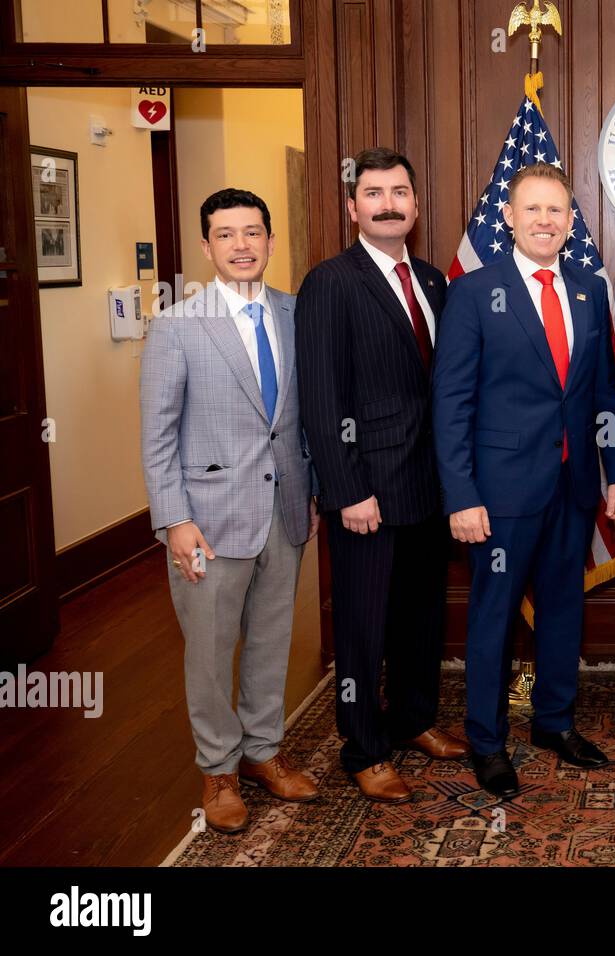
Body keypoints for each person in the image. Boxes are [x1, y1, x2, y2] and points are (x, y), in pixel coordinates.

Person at [434, 162, 615, 799]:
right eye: (533, 210)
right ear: (509, 219)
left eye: (557, 211)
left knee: (562, 612)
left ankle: (553, 722)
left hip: (574, 487)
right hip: (499, 496)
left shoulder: (587, 290)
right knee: (493, 619)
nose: (546, 221)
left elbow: (605, 390)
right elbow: (452, 402)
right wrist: (461, 495)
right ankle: (487, 743)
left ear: (571, 221)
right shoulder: (473, 292)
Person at [141, 188, 319, 833]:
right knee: (211, 649)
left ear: (271, 240)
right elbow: (157, 434)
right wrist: (174, 519)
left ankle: (261, 754)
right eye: (226, 234)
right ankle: (217, 769)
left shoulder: (300, 315)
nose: (242, 245)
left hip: (286, 508)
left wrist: (315, 489)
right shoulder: (176, 327)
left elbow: (307, 420)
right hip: (206, 521)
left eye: (252, 232)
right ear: (208, 245)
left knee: (272, 640)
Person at [296, 147, 467, 805]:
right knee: (363, 629)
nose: (389, 203)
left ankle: (414, 720)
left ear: (415, 205)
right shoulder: (330, 283)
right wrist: (345, 491)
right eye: (374, 193)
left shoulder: (430, 280)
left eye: (400, 191)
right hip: (366, 489)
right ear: (353, 207)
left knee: (422, 615)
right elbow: (321, 396)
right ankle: (364, 748)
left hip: (428, 485)